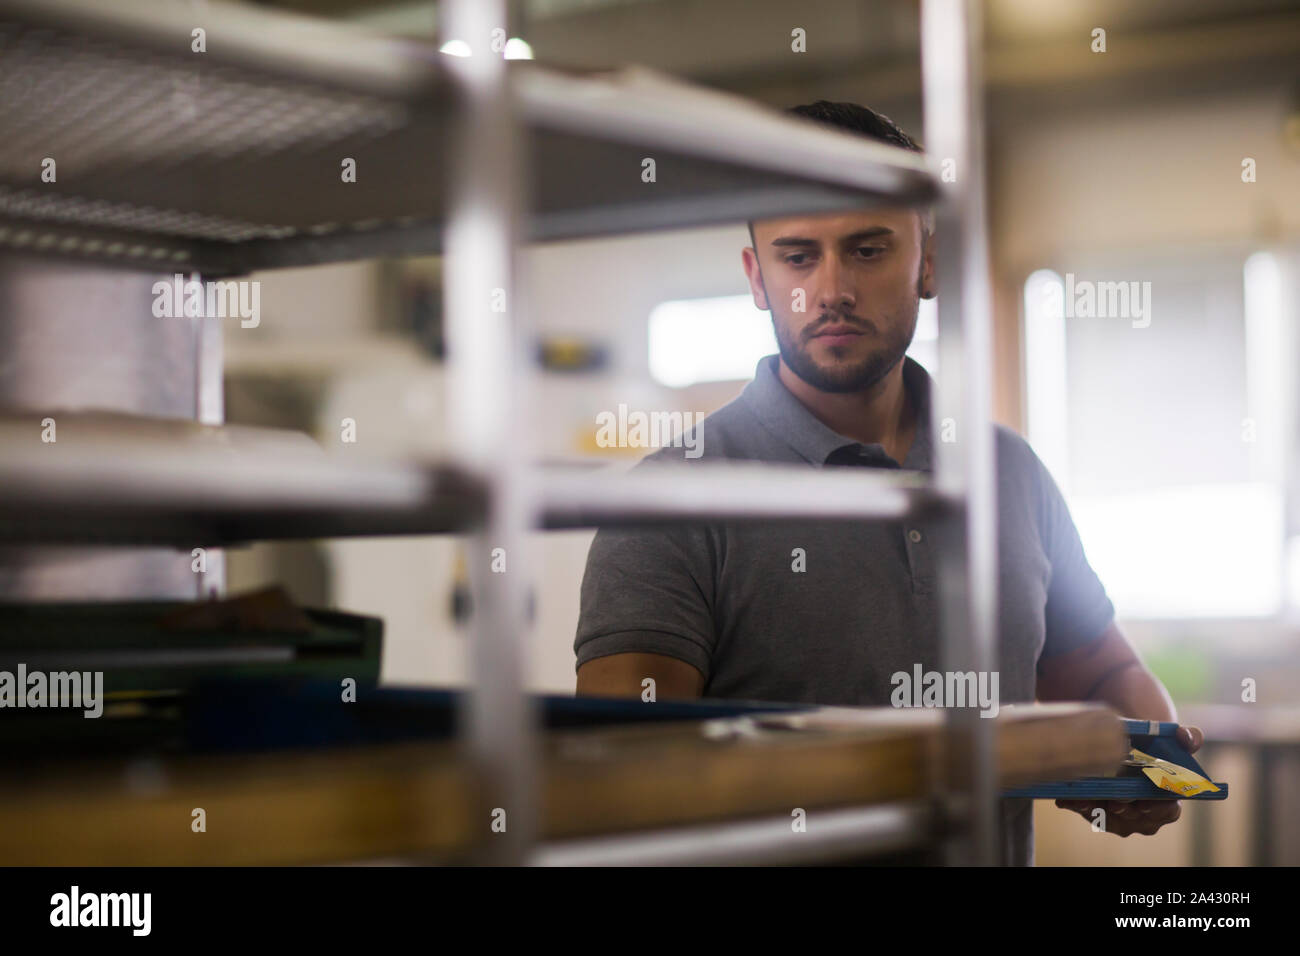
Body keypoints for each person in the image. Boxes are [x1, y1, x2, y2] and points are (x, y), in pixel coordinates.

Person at [573, 100, 1202, 865]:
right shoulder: (669, 503)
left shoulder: (1009, 474)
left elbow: (1105, 670)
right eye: (798, 257)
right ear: (757, 277)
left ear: (926, 261)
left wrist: (1151, 763)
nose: (830, 289)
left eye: (867, 250)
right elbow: (621, 788)